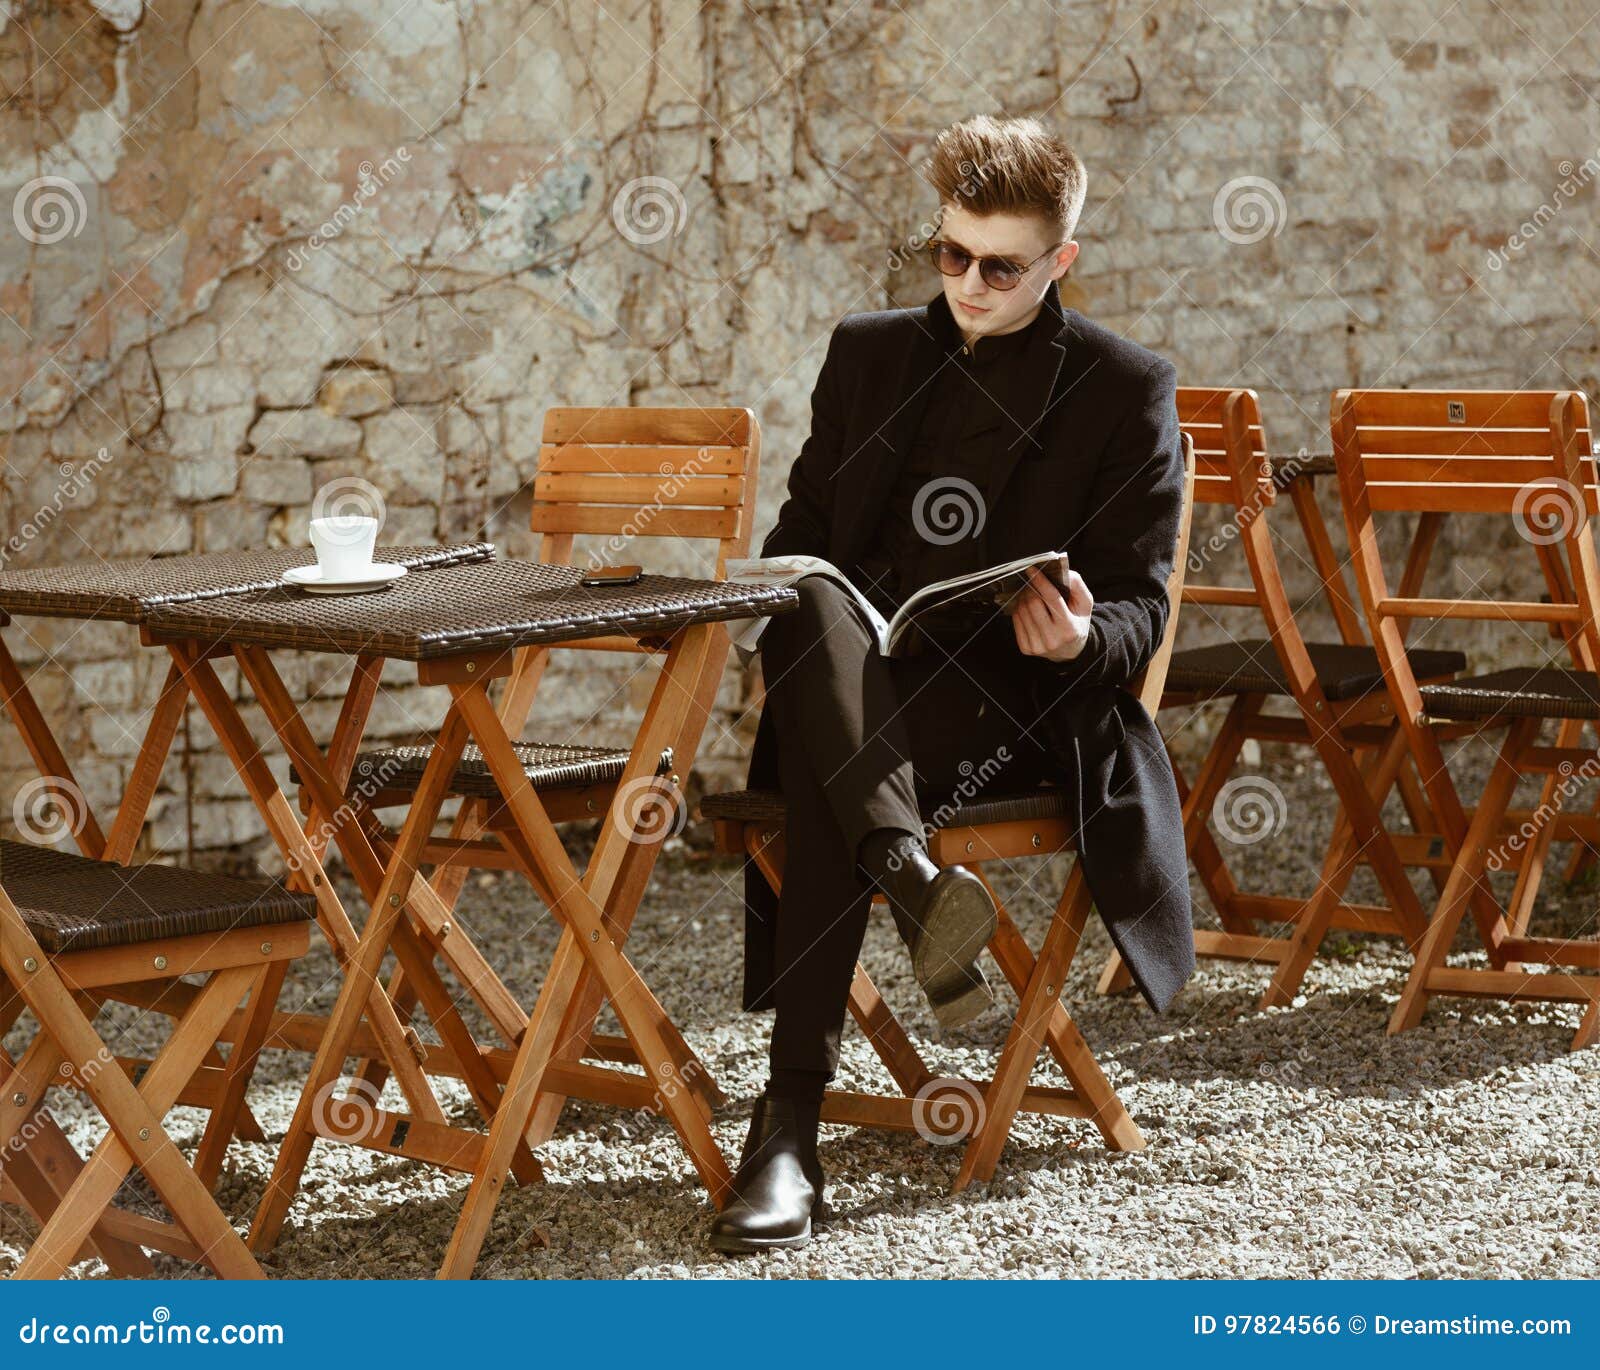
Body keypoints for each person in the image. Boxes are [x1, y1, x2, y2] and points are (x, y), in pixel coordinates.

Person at [711, 113, 1195, 1253]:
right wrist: (823, 585)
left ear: (1060, 261)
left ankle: (786, 1135)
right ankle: (912, 877)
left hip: (1016, 711)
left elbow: (1138, 607)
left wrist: (1078, 639)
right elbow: (802, 535)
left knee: (841, 770)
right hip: (868, 690)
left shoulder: (1125, 387)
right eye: (950, 255)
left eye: (1000, 266)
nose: (969, 284)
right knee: (809, 605)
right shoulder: (867, 351)